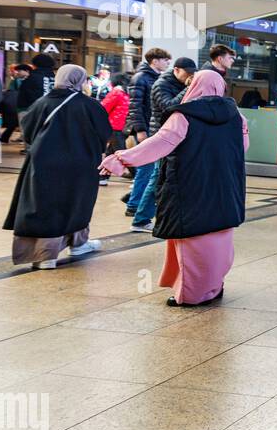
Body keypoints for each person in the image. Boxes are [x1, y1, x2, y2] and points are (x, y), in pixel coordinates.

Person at [99, 71, 248, 306]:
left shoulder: (184, 116)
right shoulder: (236, 117)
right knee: (219, 241)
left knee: (192, 243)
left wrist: (122, 158)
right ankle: (214, 286)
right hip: (226, 186)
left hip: (191, 185)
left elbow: (159, 144)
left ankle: (190, 294)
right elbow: (243, 147)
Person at [4, 64, 111, 268]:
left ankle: (45, 256)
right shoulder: (90, 105)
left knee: (45, 205)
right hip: (81, 163)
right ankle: (78, 243)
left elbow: (27, 132)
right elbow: (104, 134)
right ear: (79, 80)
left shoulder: (41, 103)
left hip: (43, 162)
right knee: (77, 202)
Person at [128, 57, 196, 232]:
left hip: (174, 136)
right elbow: (168, 106)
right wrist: (189, 89)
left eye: (192, 74)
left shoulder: (179, 84)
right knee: (156, 177)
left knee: (159, 177)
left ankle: (143, 216)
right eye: (187, 73)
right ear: (176, 70)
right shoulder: (161, 85)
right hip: (162, 136)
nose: (189, 77)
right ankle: (141, 219)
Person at [122, 48, 172, 218]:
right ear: (155, 61)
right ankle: (134, 205)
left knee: (149, 169)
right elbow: (135, 107)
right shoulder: (141, 78)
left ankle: (135, 201)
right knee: (146, 168)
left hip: (152, 128)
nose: (167, 63)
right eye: (165, 59)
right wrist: (141, 130)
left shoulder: (155, 78)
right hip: (145, 129)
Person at [99, 72, 130, 185]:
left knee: (122, 153)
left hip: (114, 126)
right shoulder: (127, 92)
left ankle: (136, 175)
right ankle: (103, 177)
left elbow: (103, 108)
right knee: (111, 153)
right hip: (124, 127)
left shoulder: (116, 92)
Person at [0, 63, 30, 143]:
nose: (17, 72)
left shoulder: (19, 80)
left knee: (16, 122)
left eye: (19, 71)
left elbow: (11, 91)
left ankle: (6, 137)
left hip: (19, 103)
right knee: (16, 122)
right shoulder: (17, 80)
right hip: (18, 103)